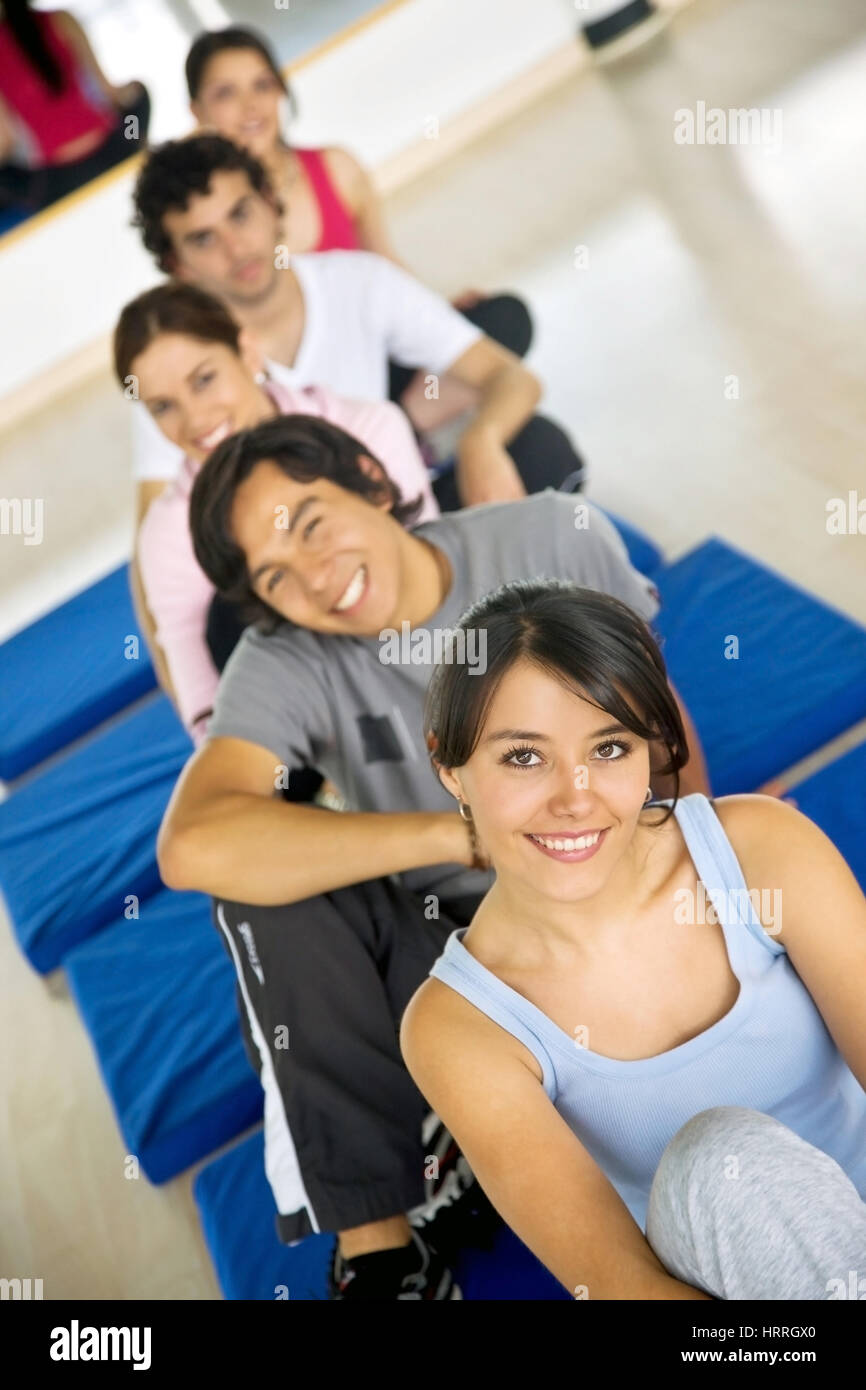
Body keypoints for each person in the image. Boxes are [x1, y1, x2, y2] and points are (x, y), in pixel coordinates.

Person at [155, 413, 710, 1300]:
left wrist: (703, 860)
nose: (315, 578)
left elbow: (658, 722)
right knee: (256, 886)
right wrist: (461, 836)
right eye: (275, 576)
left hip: (604, 888)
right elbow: (191, 844)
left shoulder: (547, 536)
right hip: (453, 950)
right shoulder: (284, 657)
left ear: (373, 479)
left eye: (311, 524)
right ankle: (384, 1257)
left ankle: (458, 1136)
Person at [400, 580, 866, 1300]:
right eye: (524, 757)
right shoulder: (458, 1026)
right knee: (723, 1157)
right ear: (449, 767)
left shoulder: (761, 849)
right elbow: (620, 1286)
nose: (575, 798)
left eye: (610, 747)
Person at [129, 134, 585, 523]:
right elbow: (154, 535)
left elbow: (511, 377)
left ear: (270, 203)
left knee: (543, 449)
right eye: (203, 239)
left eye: (240, 214)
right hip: (300, 558)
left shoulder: (357, 280)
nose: (235, 248)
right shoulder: (177, 365)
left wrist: (480, 442)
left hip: (398, 505)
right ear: (177, 265)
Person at [113, 280, 437, 747]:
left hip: (420, 653)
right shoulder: (167, 535)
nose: (196, 419)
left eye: (204, 380)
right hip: (320, 722)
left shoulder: (368, 427)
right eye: (164, 407)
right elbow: (204, 703)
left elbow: (429, 566)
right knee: (227, 621)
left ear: (247, 352)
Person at [182, 24, 534, 421]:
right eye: (226, 93)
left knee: (504, 319)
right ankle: (392, 429)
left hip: (378, 356)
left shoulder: (336, 168)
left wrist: (440, 315)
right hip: (298, 396)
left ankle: (402, 429)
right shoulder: (196, 223)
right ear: (197, 112)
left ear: (280, 90)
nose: (250, 106)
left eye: (261, 85)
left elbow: (385, 263)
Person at [0, 1, 149, 214]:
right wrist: (137, 89)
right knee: (136, 107)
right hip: (115, 149)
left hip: (58, 182)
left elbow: (6, 141)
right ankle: (137, 147)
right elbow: (111, 94)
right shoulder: (61, 18)